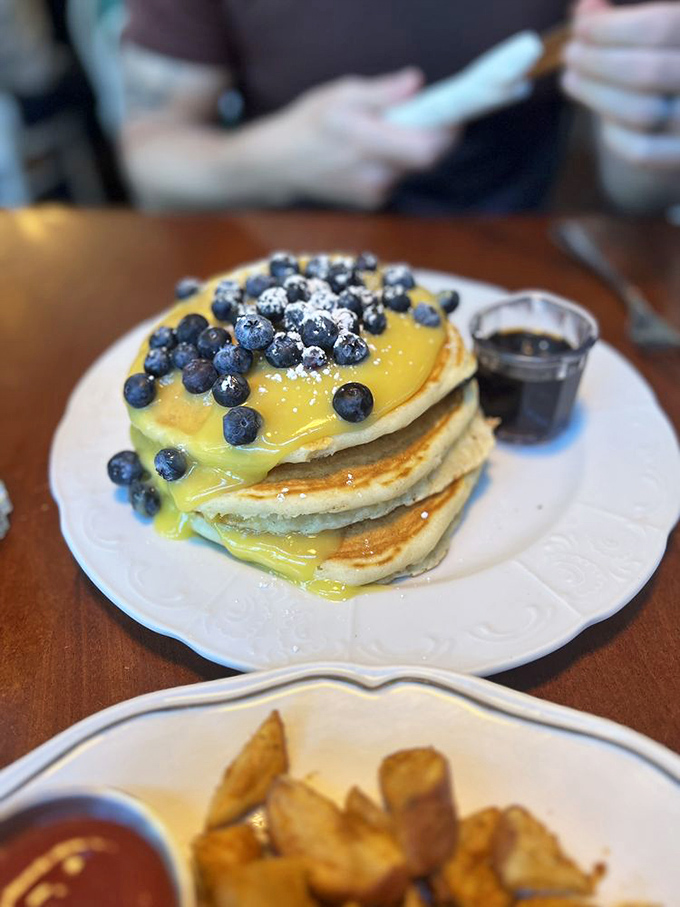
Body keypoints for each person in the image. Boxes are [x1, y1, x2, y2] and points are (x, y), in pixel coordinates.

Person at [119, 0, 680, 214]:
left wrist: (655, 137)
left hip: (521, 255)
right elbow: (151, 159)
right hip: (286, 264)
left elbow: (637, 193)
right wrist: (273, 162)